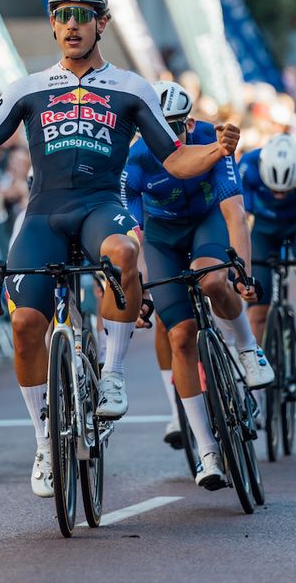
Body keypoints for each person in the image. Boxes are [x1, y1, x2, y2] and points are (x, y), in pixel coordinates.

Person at [0, 0, 240, 499]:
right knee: (26, 323)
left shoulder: (131, 88)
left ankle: (113, 374)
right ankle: (45, 443)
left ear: (102, 23)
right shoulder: (27, 89)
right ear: (53, 24)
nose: (72, 25)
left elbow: (176, 159)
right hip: (45, 213)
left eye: (83, 15)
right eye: (62, 15)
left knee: (124, 251)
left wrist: (216, 150)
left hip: (101, 207)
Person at [122, 81, 271, 489]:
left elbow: (235, 213)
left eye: (175, 127)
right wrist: (140, 293)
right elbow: (133, 237)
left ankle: (247, 348)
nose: (168, 137)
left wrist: (243, 272)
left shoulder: (211, 139)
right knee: (181, 337)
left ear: (189, 122)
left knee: (213, 280)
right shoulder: (135, 159)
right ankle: (206, 451)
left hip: (206, 223)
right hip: (161, 236)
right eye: (159, 127)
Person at [239, 133, 296, 369]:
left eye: (286, 190)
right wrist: (240, 271)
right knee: (257, 308)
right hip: (263, 228)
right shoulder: (248, 165)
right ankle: (256, 376)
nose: (279, 195)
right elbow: (241, 222)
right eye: (273, 190)